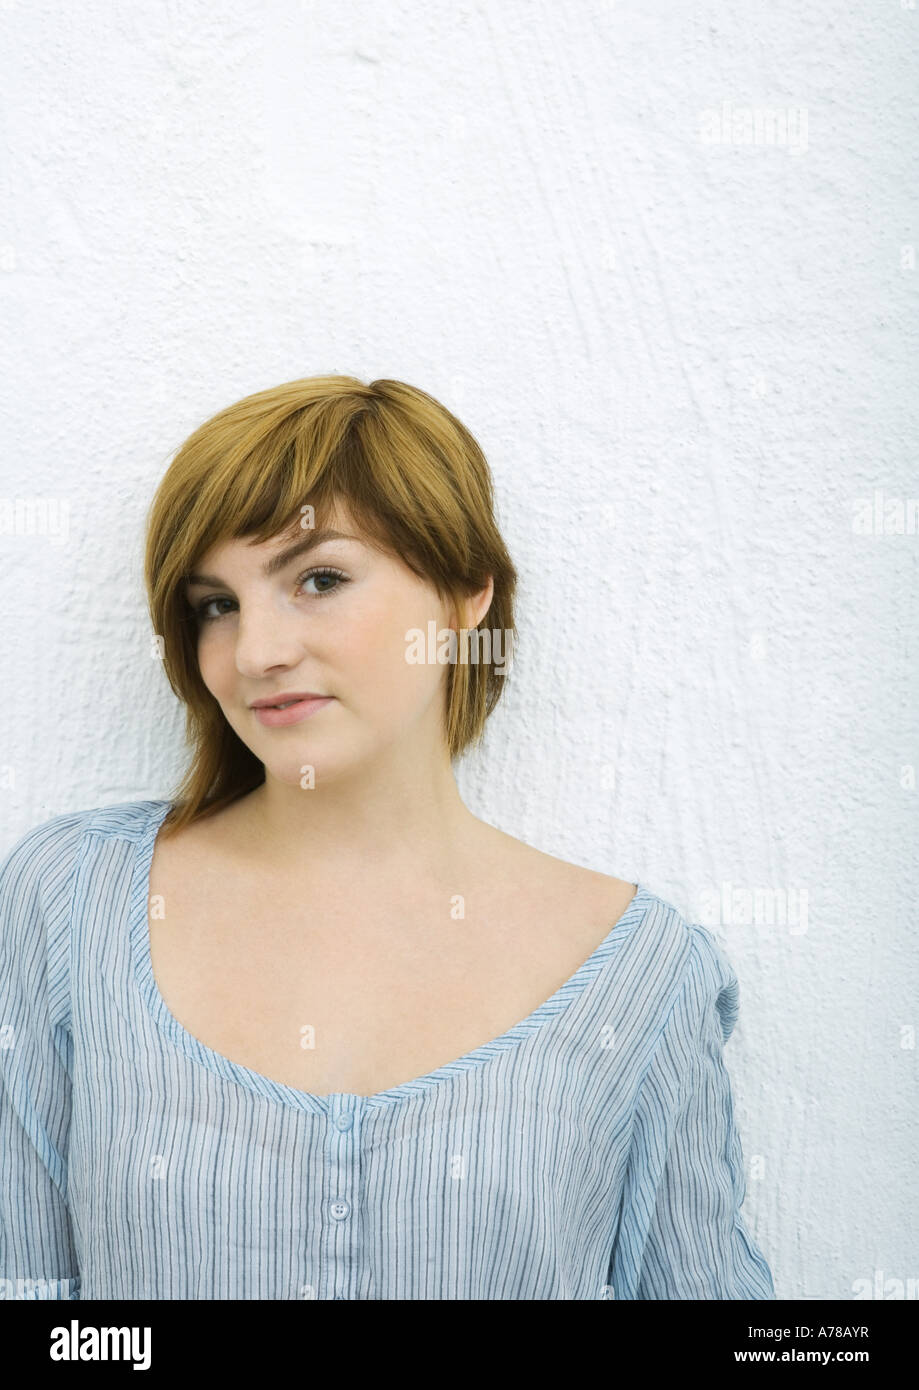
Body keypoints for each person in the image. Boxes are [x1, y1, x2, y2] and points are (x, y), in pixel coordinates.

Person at [0, 375, 775, 1300]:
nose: (255, 654)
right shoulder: (71, 899)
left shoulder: (642, 974)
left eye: (318, 579)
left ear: (463, 595)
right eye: (217, 604)